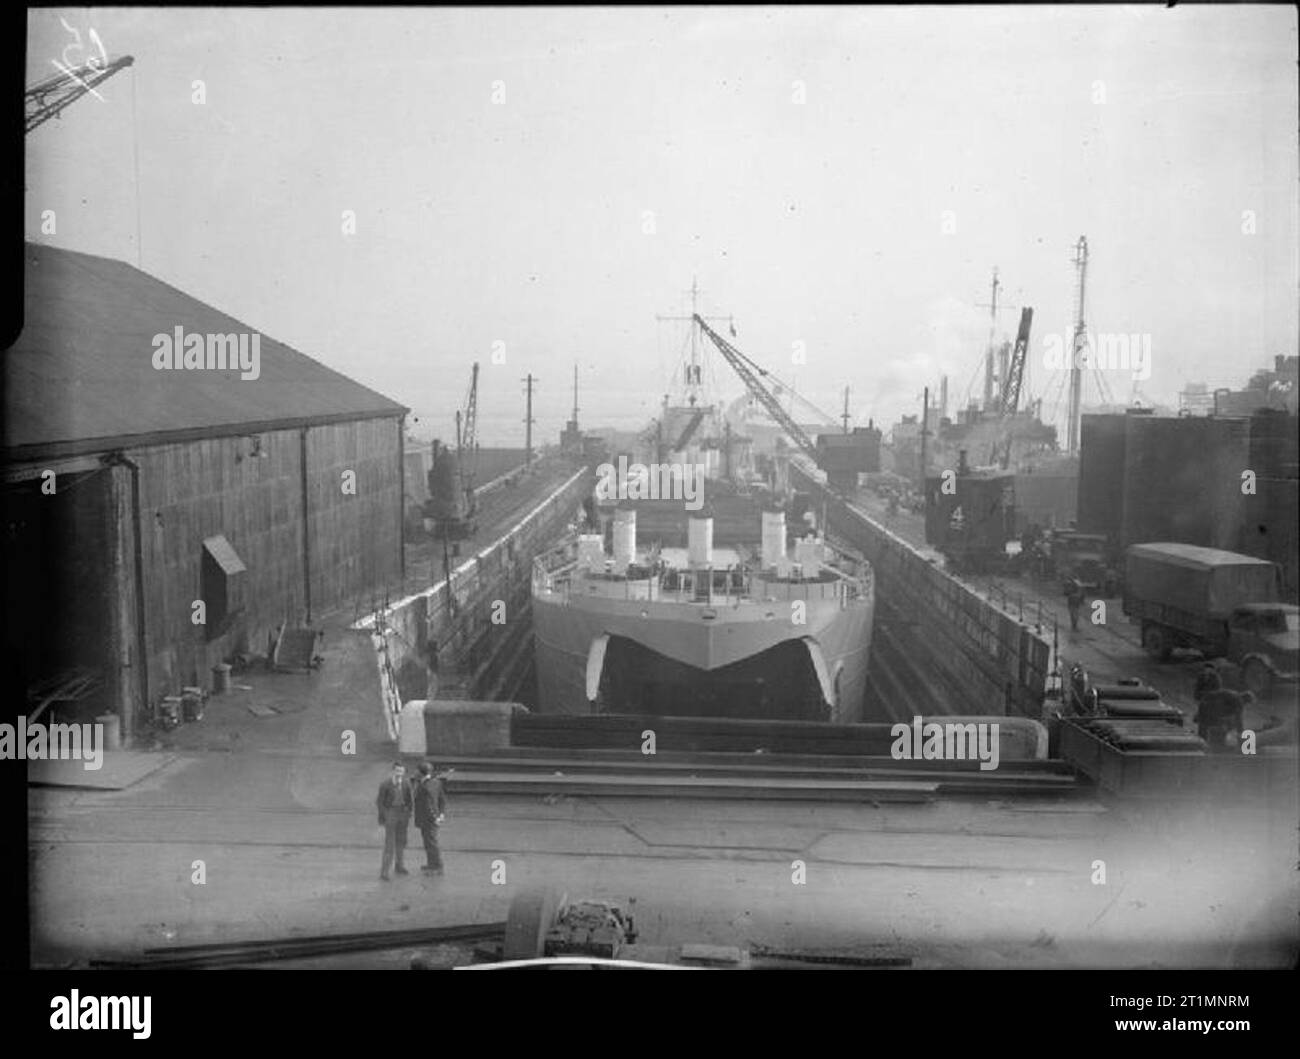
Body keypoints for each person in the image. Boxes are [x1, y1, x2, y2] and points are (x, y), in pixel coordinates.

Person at [376, 761, 413, 881]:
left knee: (401, 841)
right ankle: (385, 872)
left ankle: (399, 866)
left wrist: (408, 812)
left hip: (402, 814)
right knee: (390, 844)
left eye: (401, 771)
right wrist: (384, 815)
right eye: (397, 771)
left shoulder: (407, 783)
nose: (399, 774)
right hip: (390, 813)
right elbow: (379, 802)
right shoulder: (385, 784)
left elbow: (410, 799)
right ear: (393, 771)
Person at [413, 761, 448, 875]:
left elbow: (427, 806)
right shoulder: (436, 782)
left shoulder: (424, 787)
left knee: (431, 843)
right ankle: (431, 863)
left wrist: (434, 818)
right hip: (433, 818)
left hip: (428, 819)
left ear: (421, 772)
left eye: (417, 770)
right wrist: (441, 814)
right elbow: (442, 799)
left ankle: (437, 866)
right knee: (429, 842)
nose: (415, 772)